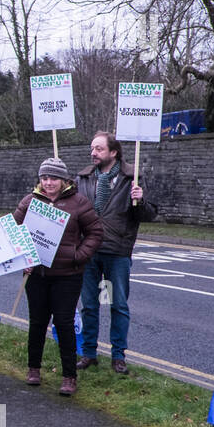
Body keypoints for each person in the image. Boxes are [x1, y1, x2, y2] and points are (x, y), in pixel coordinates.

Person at [15, 157, 103, 397]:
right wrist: (24, 260)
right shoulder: (29, 201)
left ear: (64, 179)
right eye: (44, 177)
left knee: (64, 324)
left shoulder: (79, 203)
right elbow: (14, 232)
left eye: (53, 177)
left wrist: (79, 255)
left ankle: (69, 377)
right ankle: (33, 369)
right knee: (37, 323)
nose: (48, 182)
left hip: (68, 275)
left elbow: (95, 232)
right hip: (38, 275)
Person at [75, 131, 159, 375]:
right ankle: (89, 353)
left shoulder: (132, 177)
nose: (93, 153)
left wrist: (140, 201)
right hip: (88, 250)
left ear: (114, 152)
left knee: (118, 305)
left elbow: (150, 214)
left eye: (99, 149)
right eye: (92, 148)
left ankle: (118, 356)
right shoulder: (83, 177)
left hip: (118, 251)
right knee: (89, 305)